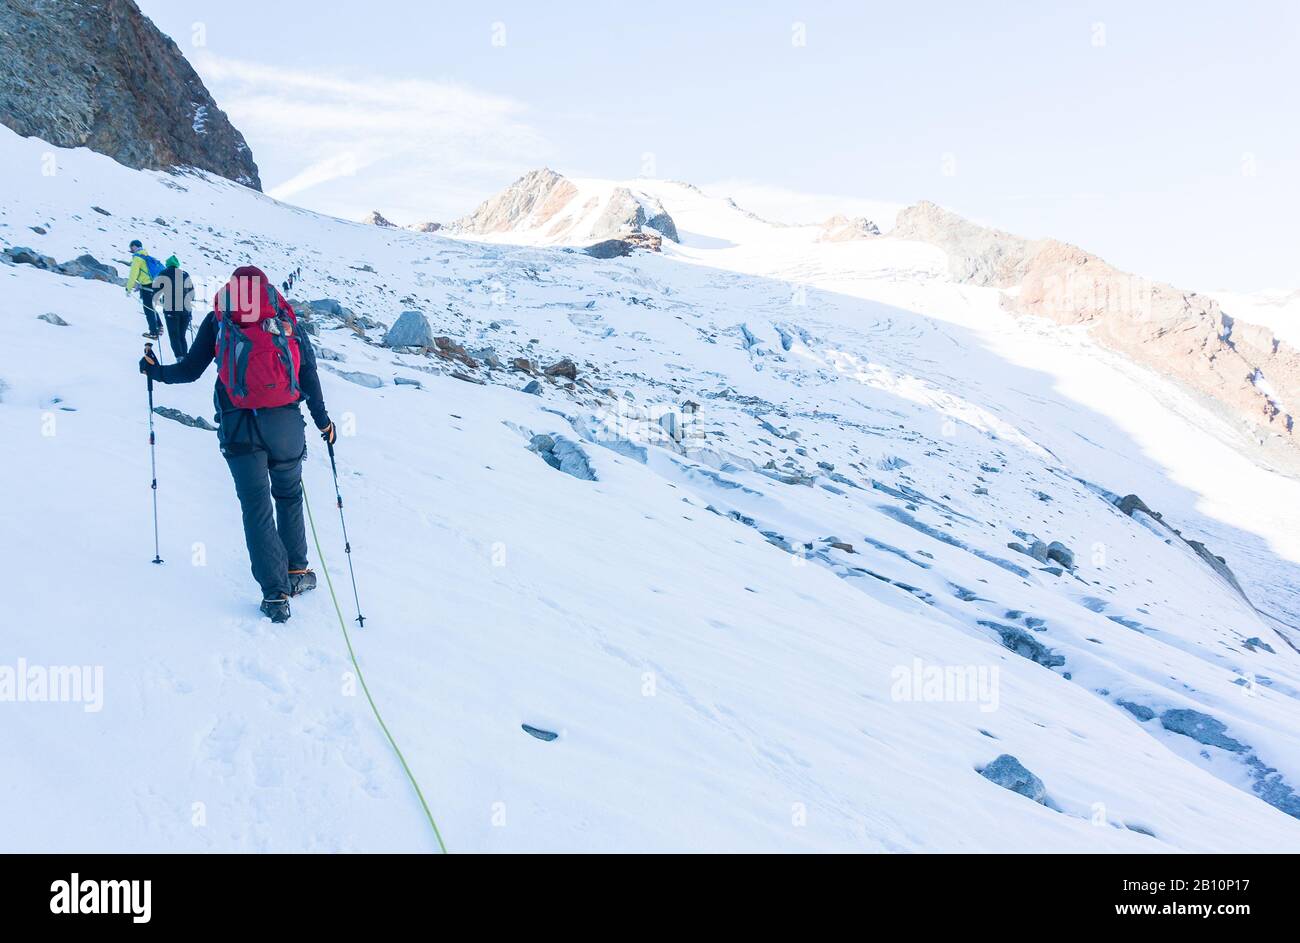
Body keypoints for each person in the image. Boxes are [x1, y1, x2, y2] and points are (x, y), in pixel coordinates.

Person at [139, 265, 337, 623]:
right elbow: (308, 373)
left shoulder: (220, 319)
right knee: (289, 495)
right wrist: (324, 422)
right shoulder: (283, 318)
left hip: (238, 425)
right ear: (265, 288)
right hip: (285, 424)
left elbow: (189, 370)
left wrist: (155, 371)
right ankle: (296, 573)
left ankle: (275, 596)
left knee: (256, 506)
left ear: (232, 289)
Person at [151, 256, 194, 359]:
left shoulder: (164, 273)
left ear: (168, 264)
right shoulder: (184, 274)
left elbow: (156, 290)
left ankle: (179, 358)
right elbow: (192, 293)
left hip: (171, 309)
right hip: (186, 310)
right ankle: (185, 358)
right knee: (182, 336)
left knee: (174, 336)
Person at [125, 239, 162, 338]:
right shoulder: (146, 255)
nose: (131, 250)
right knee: (151, 306)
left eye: (131, 247)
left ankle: (153, 333)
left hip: (147, 287)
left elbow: (133, 274)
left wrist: (128, 288)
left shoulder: (137, 258)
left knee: (148, 309)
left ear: (134, 246)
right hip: (155, 285)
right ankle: (159, 325)